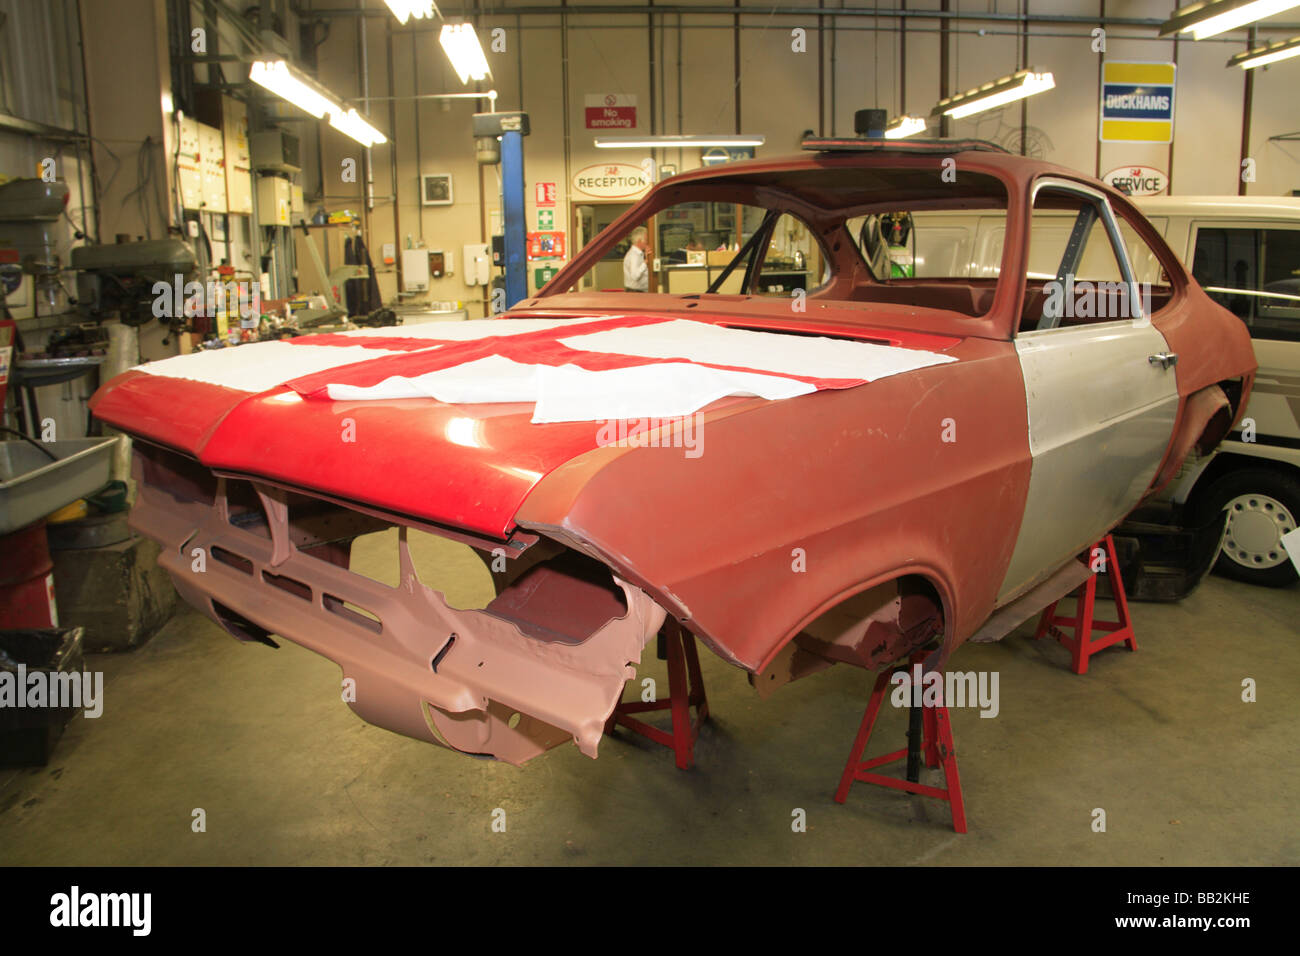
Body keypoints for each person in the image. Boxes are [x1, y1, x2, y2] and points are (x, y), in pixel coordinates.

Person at [623, 227, 649, 292]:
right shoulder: (634, 255)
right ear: (639, 241)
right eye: (646, 240)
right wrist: (645, 263)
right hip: (635, 292)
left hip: (639, 291)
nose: (647, 242)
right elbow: (635, 276)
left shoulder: (638, 254)